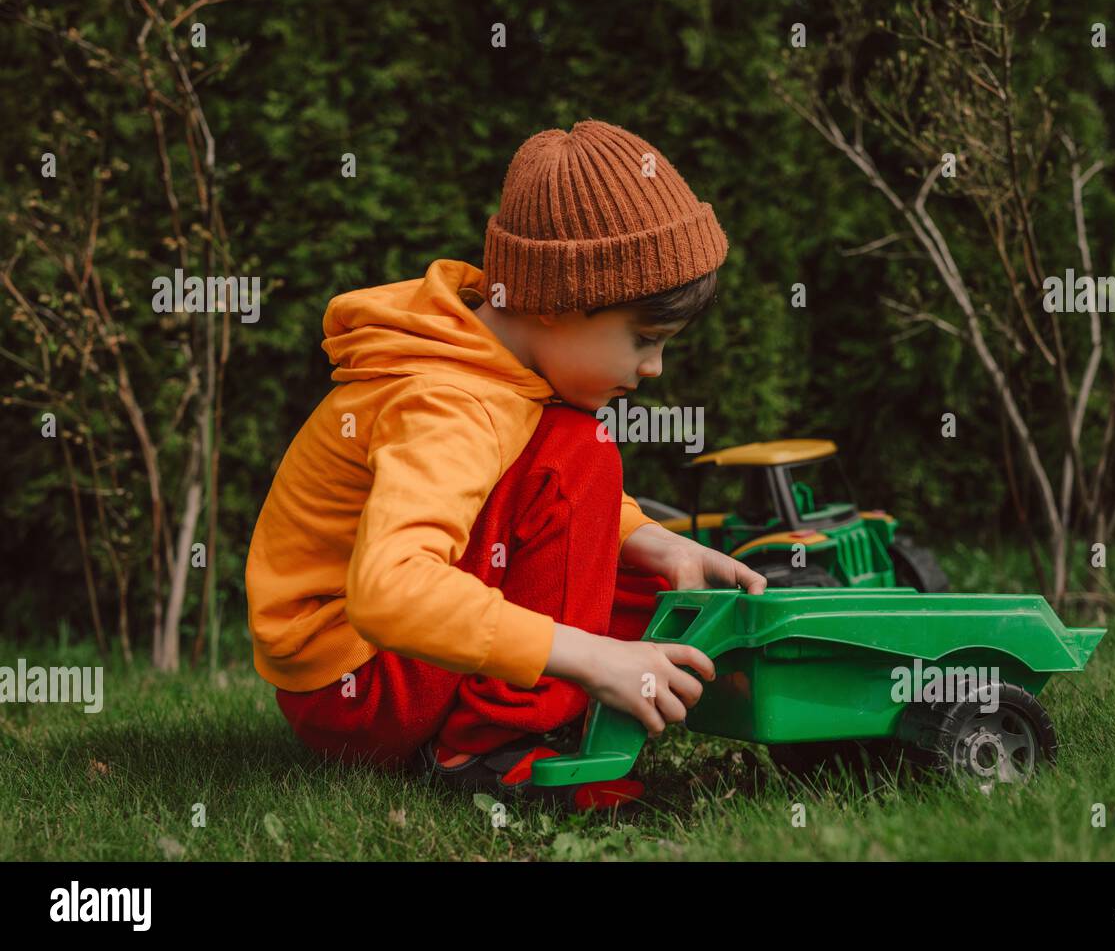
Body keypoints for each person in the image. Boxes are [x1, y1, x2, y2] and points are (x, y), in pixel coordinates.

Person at [245, 119, 766, 813]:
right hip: (359, 683)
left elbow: (523, 502)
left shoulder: (495, 369)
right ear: (559, 303)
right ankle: (498, 747)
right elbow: (390, 591)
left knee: (638, 580)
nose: (653, 368)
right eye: (644, 339)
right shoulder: (449, 401)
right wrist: (591, 657)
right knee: (582, 451)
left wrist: (656, 544)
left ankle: (708, 678)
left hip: (377, 672)